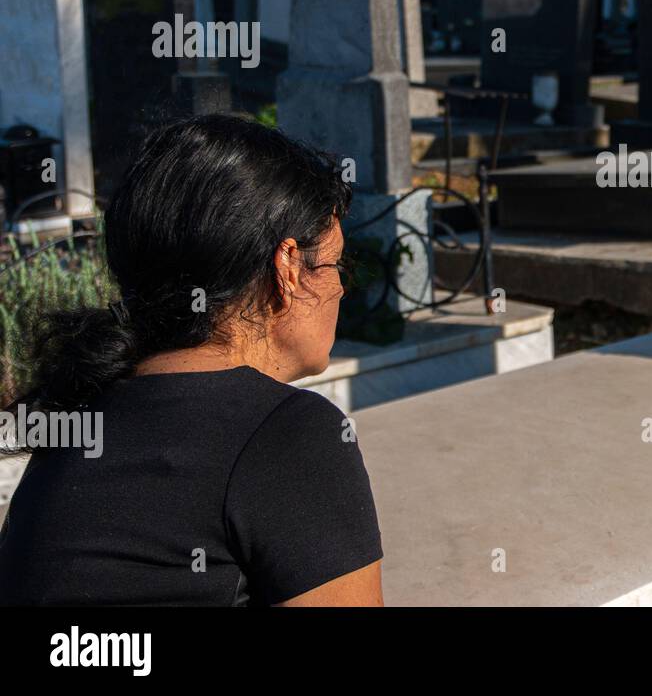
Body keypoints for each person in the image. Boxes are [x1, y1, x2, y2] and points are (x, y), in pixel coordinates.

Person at [0, 114, 383, 606]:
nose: (341, 287)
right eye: (333, 264)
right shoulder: (290, 437)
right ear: (286, 268)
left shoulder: (80, 419)